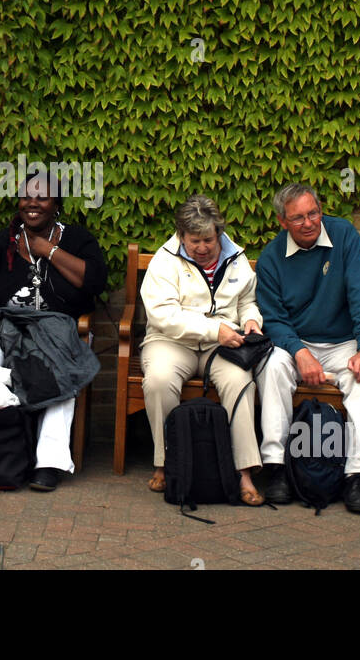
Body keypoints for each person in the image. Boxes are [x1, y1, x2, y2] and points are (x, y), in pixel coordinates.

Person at [0, 172, 107, 491]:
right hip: (2, 324)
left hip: (57, 329)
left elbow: (94, 281)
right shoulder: (2, 241)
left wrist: (48, 250)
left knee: (61, 369)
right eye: (27, 196)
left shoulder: (78, 239)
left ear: (56, 204)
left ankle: (50, 462)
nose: (33, 203)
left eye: (42, 197)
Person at [255, 183, 360, 513]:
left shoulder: (343, 236)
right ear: (282, 222)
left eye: (313, 213)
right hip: (294, 343)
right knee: (270, 368)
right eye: (298, 218)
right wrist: (300, 352)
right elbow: (274, 319)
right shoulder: (271, 257)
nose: (309, 222)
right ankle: (276, 468)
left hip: (343, 342)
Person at [140, 195, 265, 505]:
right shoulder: (165, 260)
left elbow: (247, 300)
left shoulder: (236, 258)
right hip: (171, 341)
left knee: (241, 380)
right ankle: (166, 464)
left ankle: (244, 472)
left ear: (219, 233)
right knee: (158, 380)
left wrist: (251, 320)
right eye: (194, 240)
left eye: (208, 239)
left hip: (221, 344)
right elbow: (163, 316)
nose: (202, 247)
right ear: (181, 235)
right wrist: (215, 330)